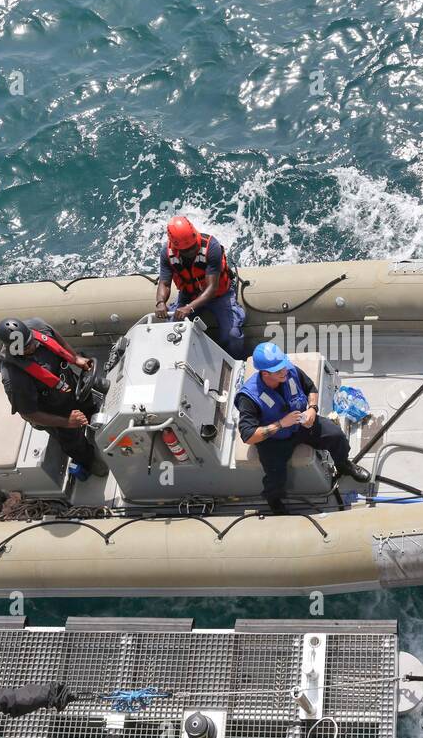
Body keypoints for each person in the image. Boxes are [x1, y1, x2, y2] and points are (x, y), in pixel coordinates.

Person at [235, 342, 370, 515]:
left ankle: (344, 465)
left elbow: (310, 388)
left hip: (302, 424)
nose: (285, 371)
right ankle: (274, 501)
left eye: (284, 366)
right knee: (275, 478)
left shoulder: (289, 370)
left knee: (336, 436)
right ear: (265, 373)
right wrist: (281, 424)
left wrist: (312, 409)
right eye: (278, 370)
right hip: (275, 441)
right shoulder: (248, 397)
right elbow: (248, 436)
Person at [0, 316, 98, 481]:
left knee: (89, 406)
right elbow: (29, 414)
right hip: (55, 412)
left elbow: (61, 343)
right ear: (15, 349)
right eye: (27, 346)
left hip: (72, 387)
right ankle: (90, 460)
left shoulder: (38, 326)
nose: (34, 345)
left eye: (32, 340)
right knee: (73, 442)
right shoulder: (14, 376)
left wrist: (75, 358)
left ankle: (94, 423)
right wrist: (67, 422)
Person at [155, 216, 246, 359]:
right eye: (187, 250)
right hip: (188, 295)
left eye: (193, 246)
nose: (192, 251)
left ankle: (234, 361)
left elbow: (212, 288)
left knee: (232, 335)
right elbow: (164, 283)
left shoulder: (211, 247)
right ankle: (181, 361)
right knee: (172, 329)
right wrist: (160, 302)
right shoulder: (166, 254)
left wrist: (189, 307)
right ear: (175, 247)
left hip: (218, 296)